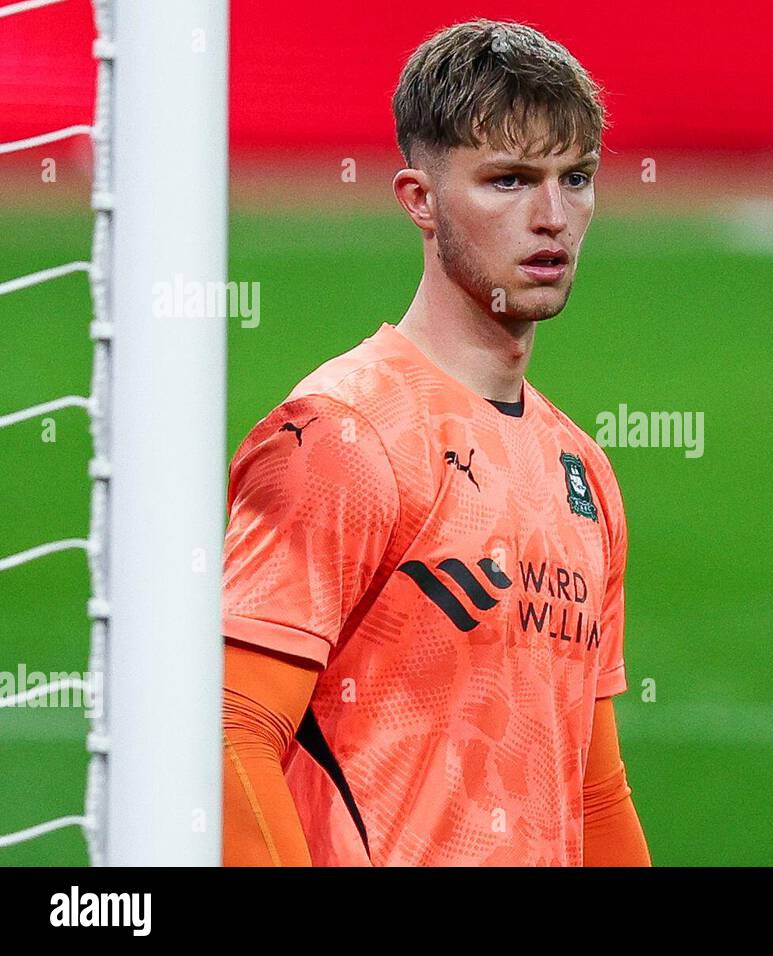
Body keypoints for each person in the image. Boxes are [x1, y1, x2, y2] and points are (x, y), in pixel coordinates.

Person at [220, 19, 649, 866]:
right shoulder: (343, 436)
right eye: (509, 181)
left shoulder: (581, 473)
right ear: (419, 198)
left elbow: (593, 790)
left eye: (577, 179)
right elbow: (228, 733)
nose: (552, 218)